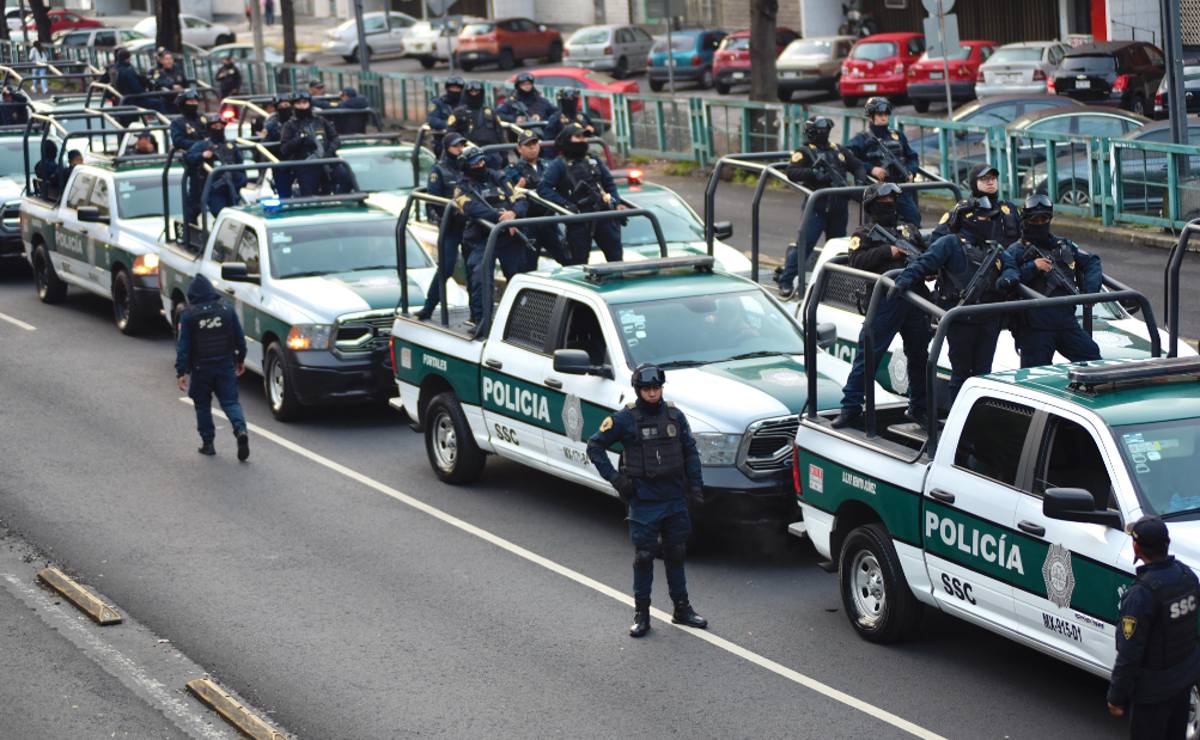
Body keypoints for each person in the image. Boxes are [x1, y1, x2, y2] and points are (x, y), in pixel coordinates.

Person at [586, 364, 707, 639]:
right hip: (644, 501)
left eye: (656, 388)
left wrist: (695, 487)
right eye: (647, 389)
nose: (652, 393)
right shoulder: (626, 419)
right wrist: (617, 480)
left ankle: (682, 608)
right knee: (643, 557)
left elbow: (690, 453)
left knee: (676, 553)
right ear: (638, 390)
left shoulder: (675, 416)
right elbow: (595, 446)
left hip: (674, 498)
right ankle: (641, 614)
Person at [891, 171, 1018, 403]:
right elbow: (924, 263)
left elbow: (1011, 266)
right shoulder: (950, 243)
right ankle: (957, 420)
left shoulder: (993, 248)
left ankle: (976, 420)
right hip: (960, 318)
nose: (989, 223)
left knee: (983, 375)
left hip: (988, 317)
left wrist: (1008, 278)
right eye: (984, 219)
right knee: (961, 374)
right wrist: (901, 282)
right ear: (970, 220)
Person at [831, 182, 931, 429]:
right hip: (884, 300)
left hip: (914, 299)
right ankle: (851, 407)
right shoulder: (863, 234)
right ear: (871, 206)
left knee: (919, 356)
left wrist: (929, 269)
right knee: (868, 356)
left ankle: (919, 408)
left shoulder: (909, 230)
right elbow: (856, 262)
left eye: (891, 202)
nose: (889, 206)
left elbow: (927, 256)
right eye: (883, 203)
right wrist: (888, 251)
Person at [1108, 516, 1200, 739]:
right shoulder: (1187, 576)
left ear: (1136, 548)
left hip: (1153, 694)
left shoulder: (1141, 594)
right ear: (1167, 543)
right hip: (1183, 682)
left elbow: (1129, 652)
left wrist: (1117, 697)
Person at [1005, 194, 1102, 368]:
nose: (1040, 223)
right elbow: (1008, 280)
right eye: (1035, 220)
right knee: (1036, 376)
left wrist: (1090, 293)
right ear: (1026, 220)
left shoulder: (1063, 245)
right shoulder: (1016, 250)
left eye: (1044, 219)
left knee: (1092, 359)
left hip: (1066, 321)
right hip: (1035, 327)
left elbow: (1092, 261)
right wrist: (1033, 267)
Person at [777, 116, 868, 298]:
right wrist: (814, 174)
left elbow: (858, 166)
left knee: (838, 248)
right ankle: (786, 281)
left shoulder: (838, 150)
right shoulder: (804, 152)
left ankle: (835, 285)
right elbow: (791, 172)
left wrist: (860, 182)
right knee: (804, 245)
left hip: (839, 209)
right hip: (816, 209)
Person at [175, 274, 250, 461]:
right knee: (230, 402)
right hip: (225, 365)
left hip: (201, 369)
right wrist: (240, 359)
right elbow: (239, 338)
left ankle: (208, 443)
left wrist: (181, 372)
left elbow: (183, 346)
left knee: (202, 405)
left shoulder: (188, 315)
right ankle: (240, 429)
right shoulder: (226, 309)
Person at [454, 145, 532, 324]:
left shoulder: (498, 177)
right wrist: (499, 216)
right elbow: (471, 208)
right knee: (480, 279)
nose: (480, 165)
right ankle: (482, 322)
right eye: (475, 163)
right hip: (482, 238)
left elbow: (519, 199)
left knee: (518, 278)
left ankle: (522, 321)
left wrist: (513, 214)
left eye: (482, 161)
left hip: (509, 237)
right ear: (466, 166)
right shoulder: (462, 187)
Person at [538, 124, 626, 264]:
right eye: (578, 137)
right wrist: (565, 204)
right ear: (567, 139)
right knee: (579, 263)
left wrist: (616, 202)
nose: (582, 140)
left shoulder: (593, 160)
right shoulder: (558, 164)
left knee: (616, 259)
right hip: (579, 219)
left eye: (584, 137)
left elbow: (609, 183)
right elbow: (543, 189)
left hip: (603, 215)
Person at [416, 132, 467, 321]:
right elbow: (434, 200)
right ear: (447, 148)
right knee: (446, 267)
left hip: (469, 225)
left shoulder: (467, 165)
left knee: (474, 268)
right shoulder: (439, 170)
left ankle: (477, 314)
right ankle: (428, 307)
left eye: (462, 146)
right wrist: (449, 213)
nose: (459, 150)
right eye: (455, 146)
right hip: (450, 225)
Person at [847, 97, 921, 226]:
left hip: (900, 188)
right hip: (877, 193)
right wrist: (871, 169)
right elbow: (848, 158)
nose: (884, 117)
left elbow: (912, 157)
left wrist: (911, 171)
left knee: (914, 220)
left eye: (886, 114)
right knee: (875, 227)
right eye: (880, 114)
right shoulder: (862, 139)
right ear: (871, 117)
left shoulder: (898, 135)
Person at [506, 131, 566, 263]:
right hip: (528, 223)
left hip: (549, 220)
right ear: (519, 148)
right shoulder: (512, 170)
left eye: (534, 143)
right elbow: (509, 196)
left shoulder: (549, 165)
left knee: (568, 259)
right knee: (528, 265)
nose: (532, 147)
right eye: (528, 145)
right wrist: (518, 188)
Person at [930, 163, 1021, 245]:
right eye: (984, 179)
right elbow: (936, 242)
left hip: (1008, 256)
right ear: (974, 183)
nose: (990, 182)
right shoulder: (961, 210)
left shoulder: (1009, 208)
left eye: (993, 178)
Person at [281, 91, 351, 196]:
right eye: (298, 103)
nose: (302, 106)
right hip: (305, 164)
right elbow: (285, 149)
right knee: (309, 192)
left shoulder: (320, 121)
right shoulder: (289, 125)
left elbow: (335, 139)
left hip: (327, 160)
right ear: (293, 106)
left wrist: (329, 152)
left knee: (346, 177)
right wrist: (299, 139)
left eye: (305, 102)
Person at [186, 116, 246, 217]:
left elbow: (240, 165)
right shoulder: (202, 145)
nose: (219, 128)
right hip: (214, 189)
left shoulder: (231, 146)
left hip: (232, 187)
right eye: (215, 126)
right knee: (220, 214)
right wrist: (202, 155)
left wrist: (241, 181)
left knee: (235, 215)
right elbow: (188, 157)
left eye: (221, 126)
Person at [447, 81, 506, 168]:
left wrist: (504, 155)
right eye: (472, 92)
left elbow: (500, 134)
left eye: (477, 92)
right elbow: (450, 136)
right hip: (470, 155)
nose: (474, 94)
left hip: (491, 154)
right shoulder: (459, 113)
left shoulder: (489, 112)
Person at [426, 76, 464, 156]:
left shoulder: (465, 104)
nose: (455, 91)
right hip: (442, 140)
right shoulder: (438, 103)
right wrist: (450, 126)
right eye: (452, 88)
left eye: (457, 88)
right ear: (447, 89)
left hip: (464, 140)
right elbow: (432, 120)